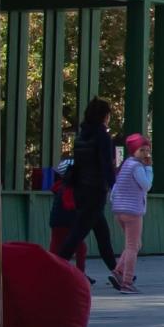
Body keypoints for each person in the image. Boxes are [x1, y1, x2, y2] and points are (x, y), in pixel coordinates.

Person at [52, 98, 122, 284]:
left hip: (81, 190)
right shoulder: (102, 137)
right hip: (96, 191)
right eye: (108, 115)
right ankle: (53, 268)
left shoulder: (81, 136)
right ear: (104, 116)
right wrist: (113, 186)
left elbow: (80, 165)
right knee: (77, 234)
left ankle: (116, 271)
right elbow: (106, 164)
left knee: (102, 232)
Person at [110, 135, 152, 292]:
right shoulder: (137, 167)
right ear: (134, 151)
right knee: (133, 247)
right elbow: (146, 185)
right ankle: (127, 282)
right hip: (133, 211)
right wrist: (149, 169)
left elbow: (115, 189)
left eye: (148, 150)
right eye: (142, 150)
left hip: (120, 210)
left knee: (134, 244)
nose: (146, 154)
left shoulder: (125, 165)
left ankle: (118, 271)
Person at [48, 138, 86, 273]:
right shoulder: (75, 188)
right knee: (80, 247)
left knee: (55, 247)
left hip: (56, 221)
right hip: (71, 221)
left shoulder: (59, 187)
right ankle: (80, 273)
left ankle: (50, 271)